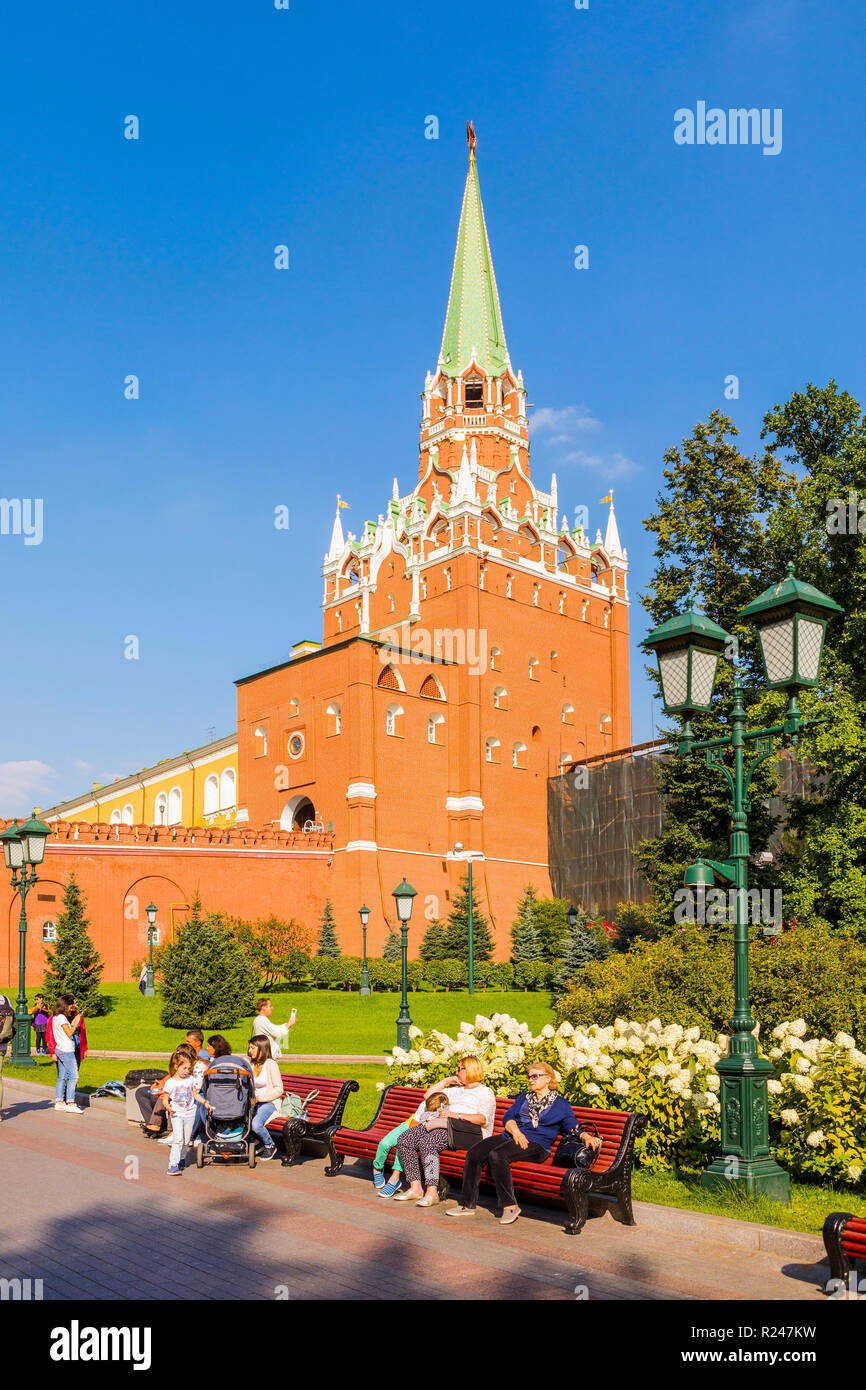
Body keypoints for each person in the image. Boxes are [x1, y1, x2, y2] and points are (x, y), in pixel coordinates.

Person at [446, 1060, 602, 1224]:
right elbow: (508, 1118)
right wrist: (516, 1132)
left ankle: (510, 1206)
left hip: (538, 1145)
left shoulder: (560, 1104)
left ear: (548, 1078)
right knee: (475, 1153)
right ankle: (467, 1204)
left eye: (535, 1076)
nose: (531, 1080)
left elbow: (572, 1125)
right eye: (529, 1077)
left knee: (498, 1155)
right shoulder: (524, 1098)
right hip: (513, 1136)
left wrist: (587, 1137)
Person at [395, 1056, 496, 1208]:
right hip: (446, 1127)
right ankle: (415, 1187)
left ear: (470, 1070)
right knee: (405, 1138)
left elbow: (482, 1119)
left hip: (469, 1133)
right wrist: (447, 1080)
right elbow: (428, 1096)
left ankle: (432, 1192)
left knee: (428, 1141)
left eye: (459, 1069)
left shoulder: (485, 1092)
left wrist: (454, 1115)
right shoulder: (456, 1090)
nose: (457, 1071)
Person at [374, 1091, 449, 1198]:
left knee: (402, 1146)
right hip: (409, 1126)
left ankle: (394, 1179)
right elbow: (412, 1126)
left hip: (424, 1130)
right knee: (384, 1143)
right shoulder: (427, 1102)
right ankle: (377, 1168)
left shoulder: (444, 1107)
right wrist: (448, 1080)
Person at [163, 1048, 210, 1176]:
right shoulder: (170, 1083)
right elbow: (165, 1098)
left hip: (190, 1113)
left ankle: (182, 1158)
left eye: (189, 1068)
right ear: (176, 1067)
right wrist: (168, 1107)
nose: (187, 1071)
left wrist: (205, 1102)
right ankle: (172, 1165)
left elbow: (195, 1095)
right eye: (184, 1068)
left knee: (186, 1140)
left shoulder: (190, 1080)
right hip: (177, 1114)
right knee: (178, 1139)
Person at [247, 1035, 283, 1161]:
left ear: (261, 1049)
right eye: (249, 1047)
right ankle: (257, 1142)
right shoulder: (251, 1064)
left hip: (269, 1103)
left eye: (252, 1048)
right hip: (254, 1102)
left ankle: (270, 1145)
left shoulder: (271, 1064)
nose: (249, 1050)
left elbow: (279, 1089)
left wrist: (260, 1098)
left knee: (256, 1124)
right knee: (240, 1120)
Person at [48, 996, 85, 1113]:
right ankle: (70, 1102)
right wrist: (75, 1023)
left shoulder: (56, 1017)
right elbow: (69, 1032)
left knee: (62, 1077)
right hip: (66, 1050)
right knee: (74, 1076)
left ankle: (59, 1102)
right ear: (65, 1006)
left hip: (61, 1049)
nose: (72, 1008)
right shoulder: (61, 1018)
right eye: (70, 1006)